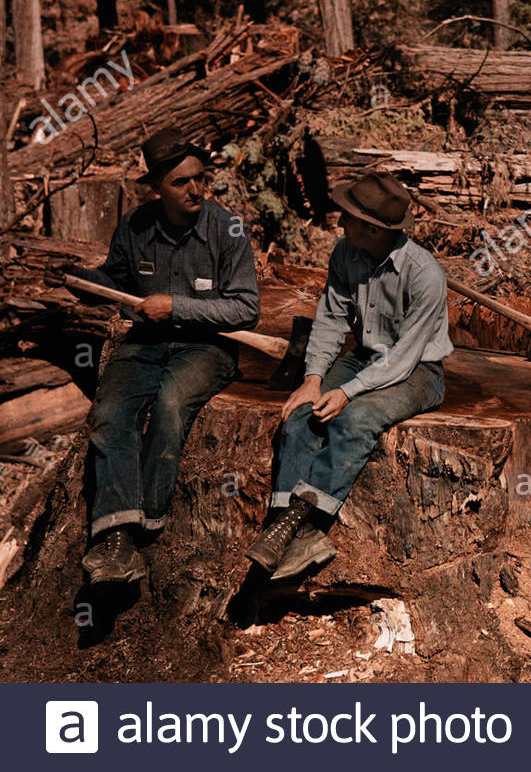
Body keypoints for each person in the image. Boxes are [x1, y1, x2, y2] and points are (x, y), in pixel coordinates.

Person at [54, 128, 260, 584]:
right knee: (111, 414)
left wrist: (178, 305)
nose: (195, 190)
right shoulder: (134, 225)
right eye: (181, 182)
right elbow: (116, 277)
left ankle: (147, 522)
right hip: (146, 341)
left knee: (169, 404)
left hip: (208, 346)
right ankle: (116, 540)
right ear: (157, 188)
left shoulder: (227, 229)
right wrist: (83, 281)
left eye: (200, 179)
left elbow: (247, 307)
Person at [246, 174, 452, 580]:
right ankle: (292, 533)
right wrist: (313, 378)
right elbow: (330, 319)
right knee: (302, 415)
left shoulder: (425, 274)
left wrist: (346, 392)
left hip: (417, 371)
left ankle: (297, 525)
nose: (340, 222)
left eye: (349, 217)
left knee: (355, 420)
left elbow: (403, 360)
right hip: (364, 359)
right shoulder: (346, 253)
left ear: (372, 228)